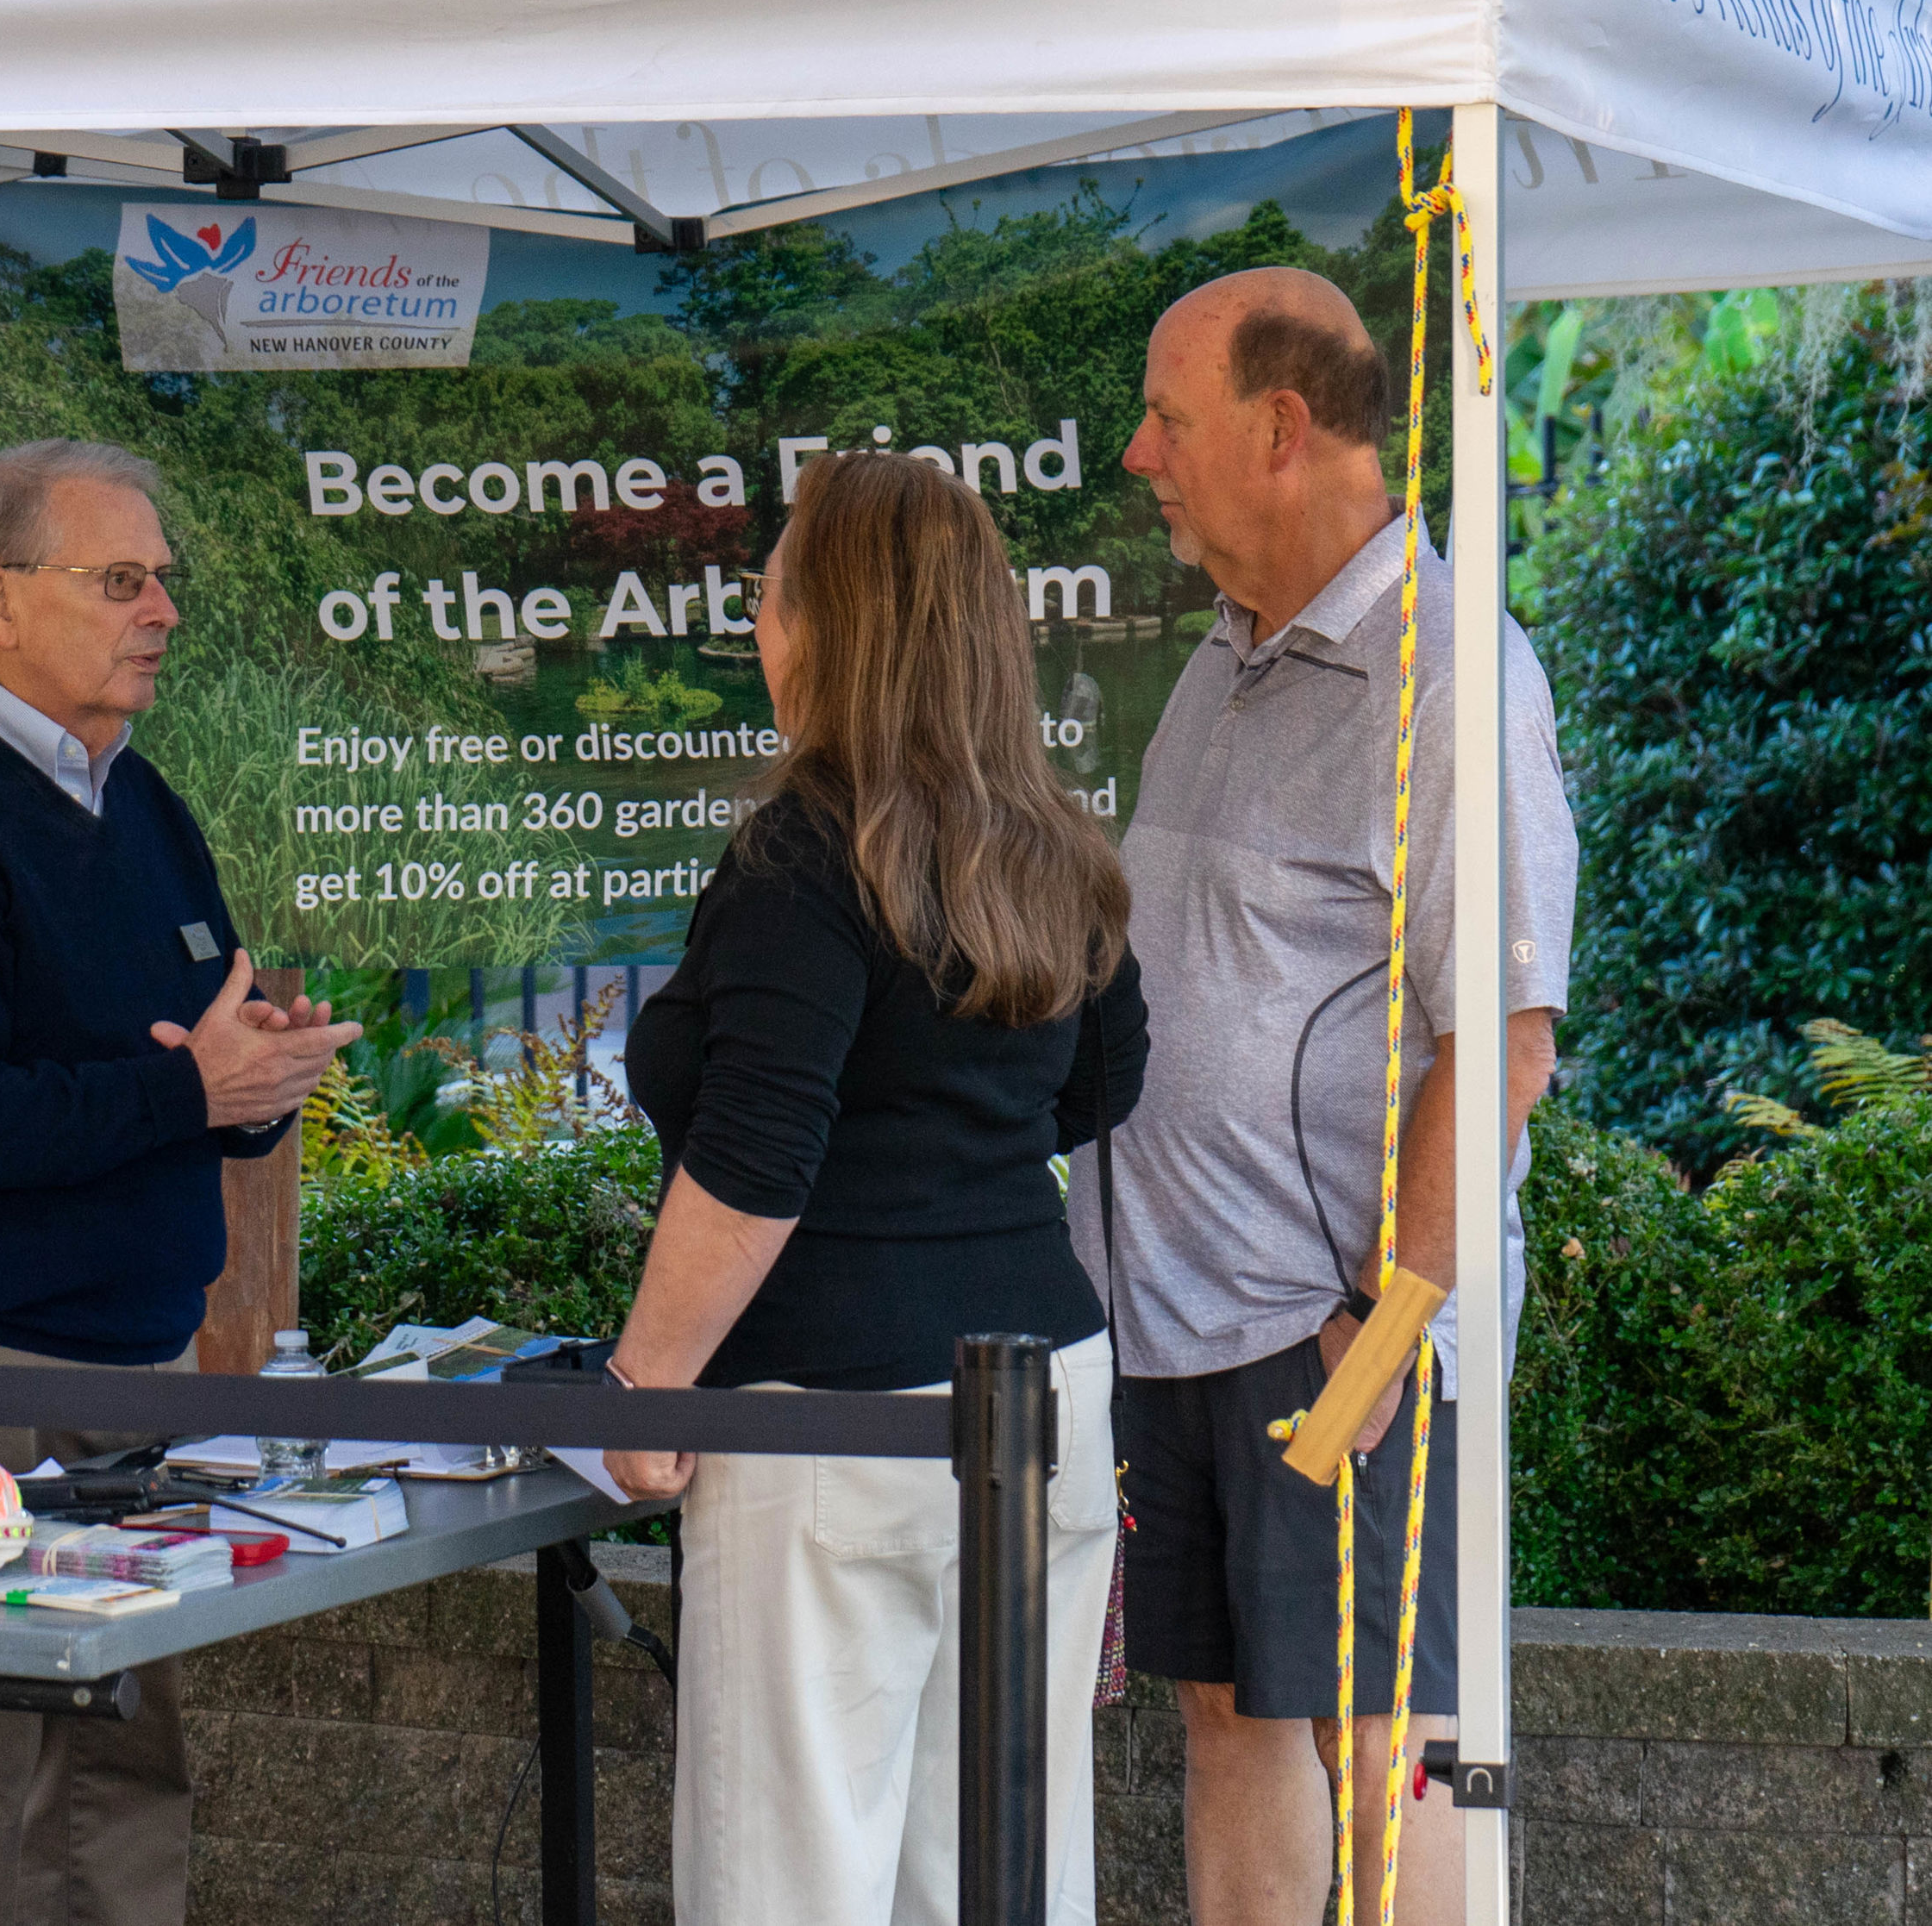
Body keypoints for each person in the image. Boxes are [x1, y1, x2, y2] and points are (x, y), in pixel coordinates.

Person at [0, 435, 359, 1926]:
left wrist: (249, 1086)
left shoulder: (142, 801)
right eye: (121, 578)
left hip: (134, 1375)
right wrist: (189, 1087)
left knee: (110, 1761)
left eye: (163, 577)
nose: (161, 607)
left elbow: (175, 1069)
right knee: (13, 1785)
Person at [1072, 266, 1576, 1926]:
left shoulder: (1452, 670)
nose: (1139, 451)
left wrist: (1378, 1345)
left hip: (1332, 1337)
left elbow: (1496, 1038)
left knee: (1384, 1743)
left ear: (1281, 428)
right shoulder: (1226, 651)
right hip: (1178, 1324)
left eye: (1169, 414)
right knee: (1225, 1720)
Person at [602, 450, 1148, 1926]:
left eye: (775, 579)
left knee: (789, 1875)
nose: (758, 608)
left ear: (823, 620)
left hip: (830, 1422)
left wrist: (645, 1383)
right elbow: (1105, 1087)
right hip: (1044, 1391)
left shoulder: (801, 846)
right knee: (1003, 1873)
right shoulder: (1051, 837)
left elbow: (757, 1155)